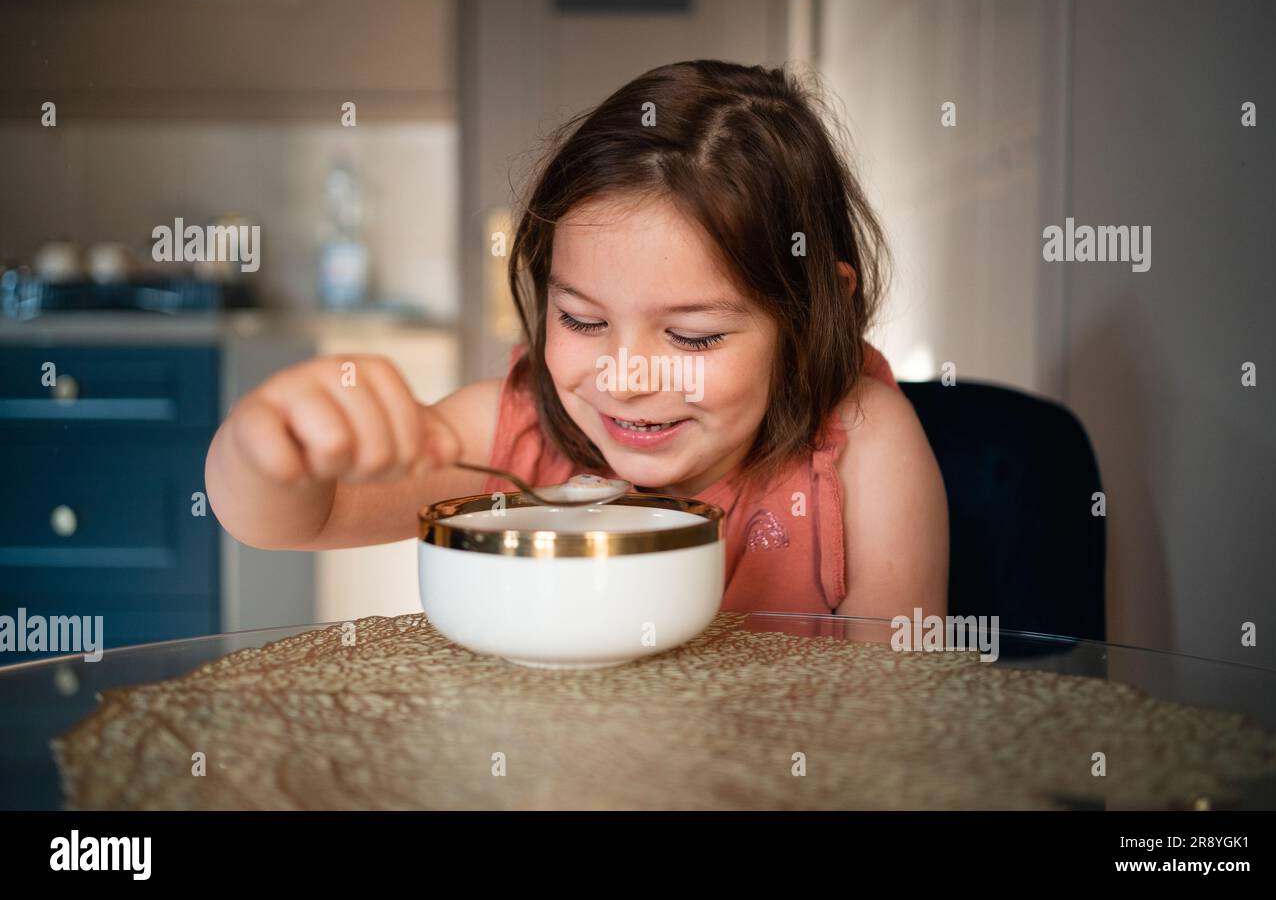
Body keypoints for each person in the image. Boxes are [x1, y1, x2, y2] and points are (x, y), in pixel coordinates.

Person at [206, 60, 948, 619]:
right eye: (582, 321)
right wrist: (265, 447)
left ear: (817, 311)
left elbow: (889, 726)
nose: (622, 378)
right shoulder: (514, 435)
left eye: (693, 337)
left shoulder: (864, 451)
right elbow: (308, 514)